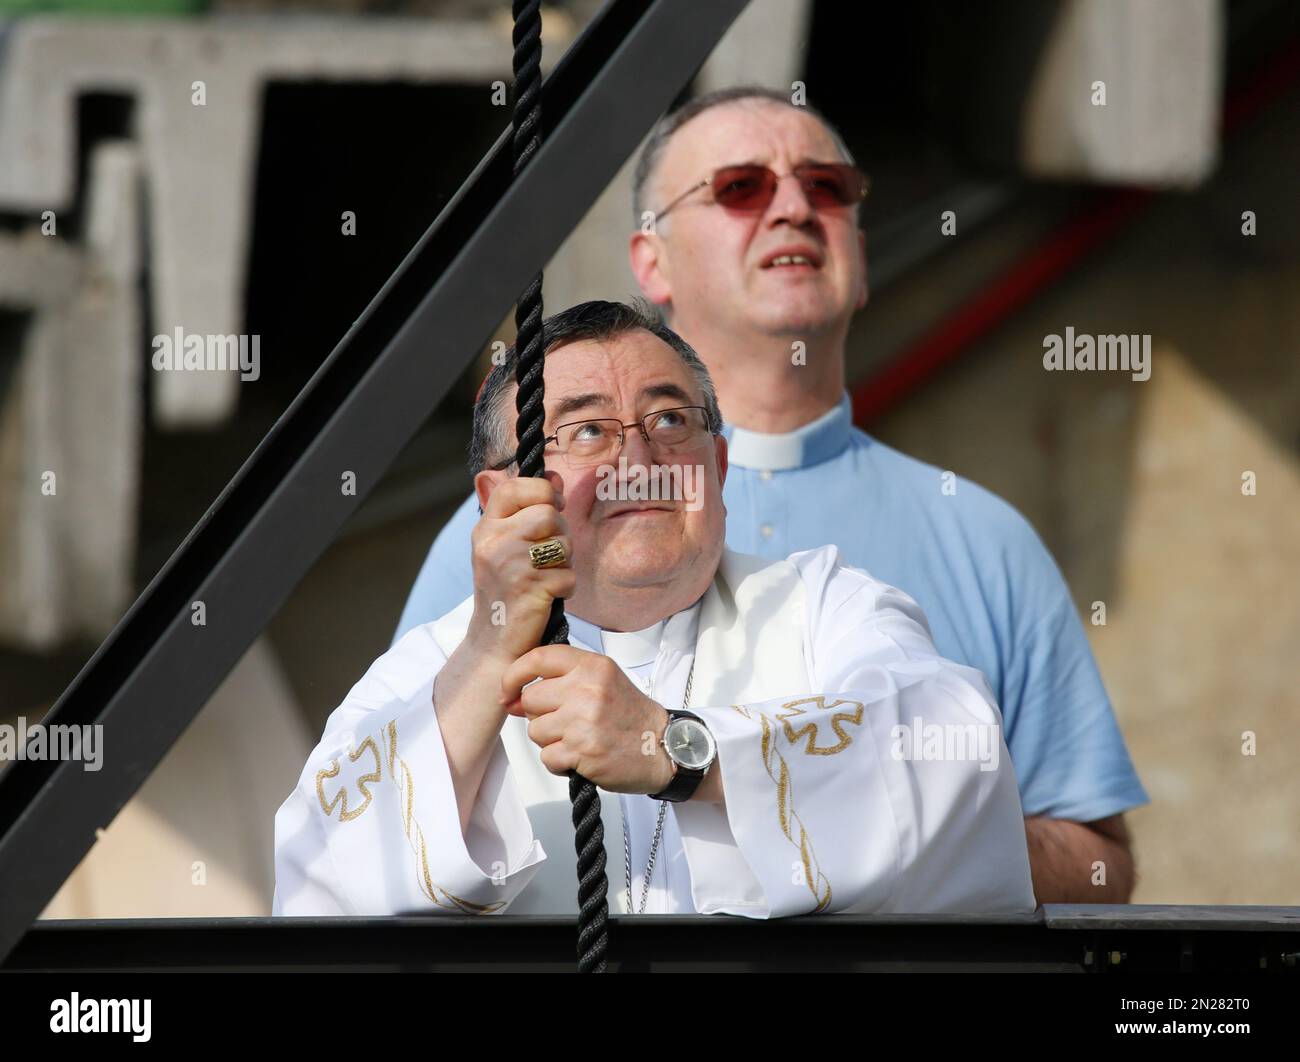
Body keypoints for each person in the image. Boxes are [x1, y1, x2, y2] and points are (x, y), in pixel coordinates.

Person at [391, 87, 1149, 903]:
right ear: (652, 261)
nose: (794, 207)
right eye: (741, 187)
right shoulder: (520, 530)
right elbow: (403, 833)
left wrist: (911, 836)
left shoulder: (984, 534)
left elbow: (1100, 872)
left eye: (828, 187)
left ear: (860, 253)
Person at [272, 301, 1035, 917]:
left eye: (671, 422)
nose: (638, 463)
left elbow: (953, 753)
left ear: (720, 465)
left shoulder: (824, 605)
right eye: (586, 430)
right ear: (501, 501)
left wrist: (675, 749)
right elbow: (317, 883)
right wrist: (489, 650)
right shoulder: (434, 667)